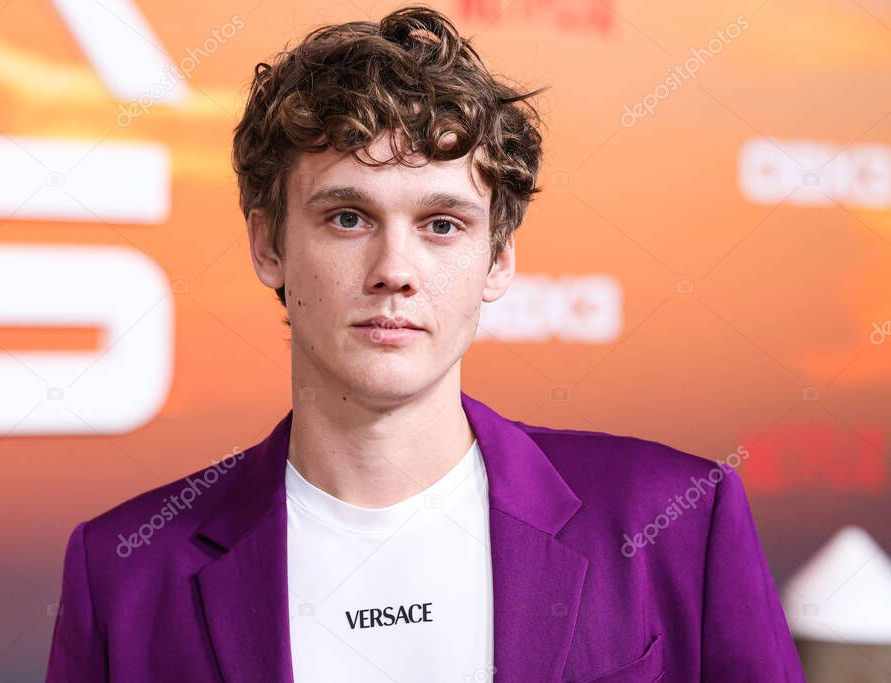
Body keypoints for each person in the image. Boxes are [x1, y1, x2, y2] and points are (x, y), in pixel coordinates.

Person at [45, 5, 806, 682]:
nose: (394, 272)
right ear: (268, 243)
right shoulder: (124, 573)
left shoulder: (676, 521)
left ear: (498, 259)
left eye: (441, 224)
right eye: (348, 217)